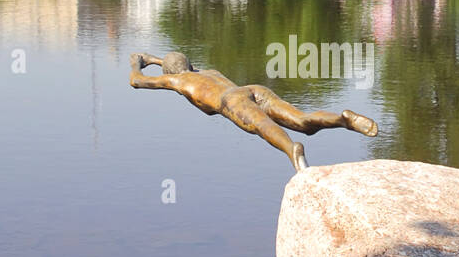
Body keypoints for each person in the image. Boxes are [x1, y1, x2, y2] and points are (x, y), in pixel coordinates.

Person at [130, 51, 378, 172]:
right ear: (190, 64)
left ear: (170, 73)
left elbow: (137, 81)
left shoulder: (178, 81)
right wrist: (153, 58)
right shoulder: (208, 72)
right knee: (302, 120)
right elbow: (180, 63)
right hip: (251, 89)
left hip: (230, 101)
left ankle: (292, 151)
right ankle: (341, 119)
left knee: (262, 127)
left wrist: (137, 63)